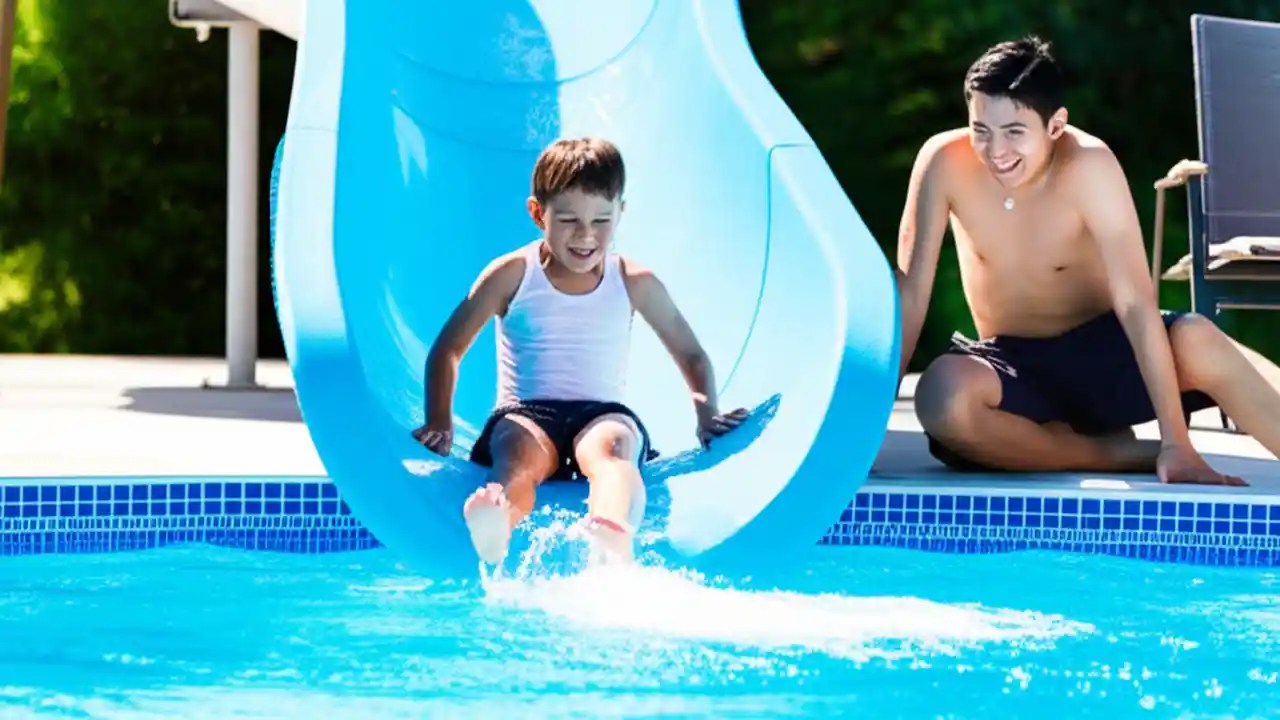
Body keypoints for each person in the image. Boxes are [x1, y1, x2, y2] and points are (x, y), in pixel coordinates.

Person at [894, 35, 1280, 485]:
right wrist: (860, 437)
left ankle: (1145, 447)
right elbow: (911, 293)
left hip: (1107, 359)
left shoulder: (1090, 165)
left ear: (1055, 126)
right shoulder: (943, 161)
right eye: (982, 130)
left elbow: (1136, 304)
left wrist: (1177, 443)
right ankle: (1108, 454)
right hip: (1015, 368)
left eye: (1014, 132)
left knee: (1197, 337)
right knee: (941, 396)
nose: (996, 151)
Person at [411, 137, 749, 565]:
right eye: (569, 219)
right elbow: (448, 350)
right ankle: (497, 524)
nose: (586, 235)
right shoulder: (513, 274)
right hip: (525, 412)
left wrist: (707, 415)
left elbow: (691, 355)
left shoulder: (632, 279)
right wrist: (439, 422)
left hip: (601, 412)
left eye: (601, 220)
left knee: (614, 447)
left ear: (620, 214)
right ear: (538, 214)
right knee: (517, 453)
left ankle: (610, 530)